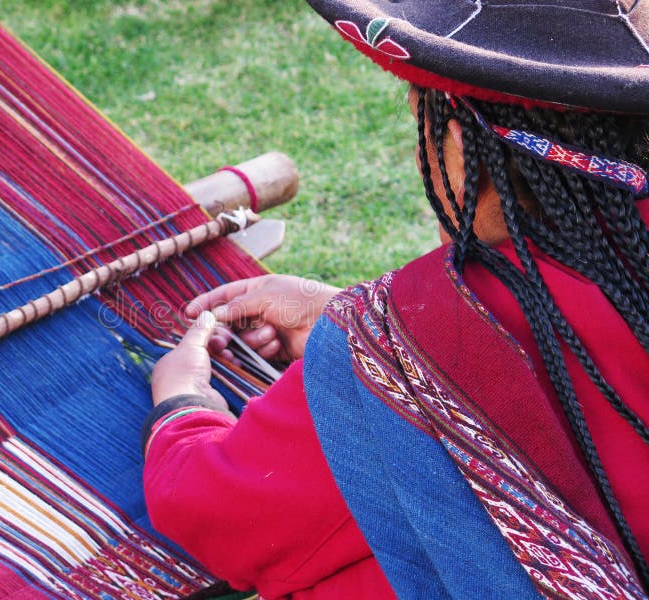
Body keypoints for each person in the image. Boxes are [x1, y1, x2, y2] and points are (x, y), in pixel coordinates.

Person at [142, 1, 649, 598]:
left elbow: (224, 515)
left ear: (460, 149)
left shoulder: (411, 334)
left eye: (423, 125)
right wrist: (362, 337)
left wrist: (181, 404)